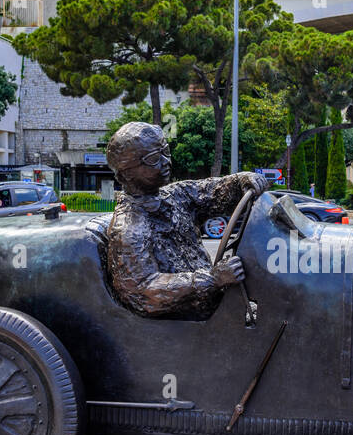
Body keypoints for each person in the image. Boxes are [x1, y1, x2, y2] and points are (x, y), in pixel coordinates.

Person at [105, 122, 268, 320]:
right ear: (126, 173)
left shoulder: (176, 195)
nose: (165, 162)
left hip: (217, 307)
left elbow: (212, 192)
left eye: (165, 151)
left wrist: (241, 181)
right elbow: (144, 292)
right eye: (154, 158)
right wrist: (213, 278)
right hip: (189, 326)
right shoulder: (128, 229)